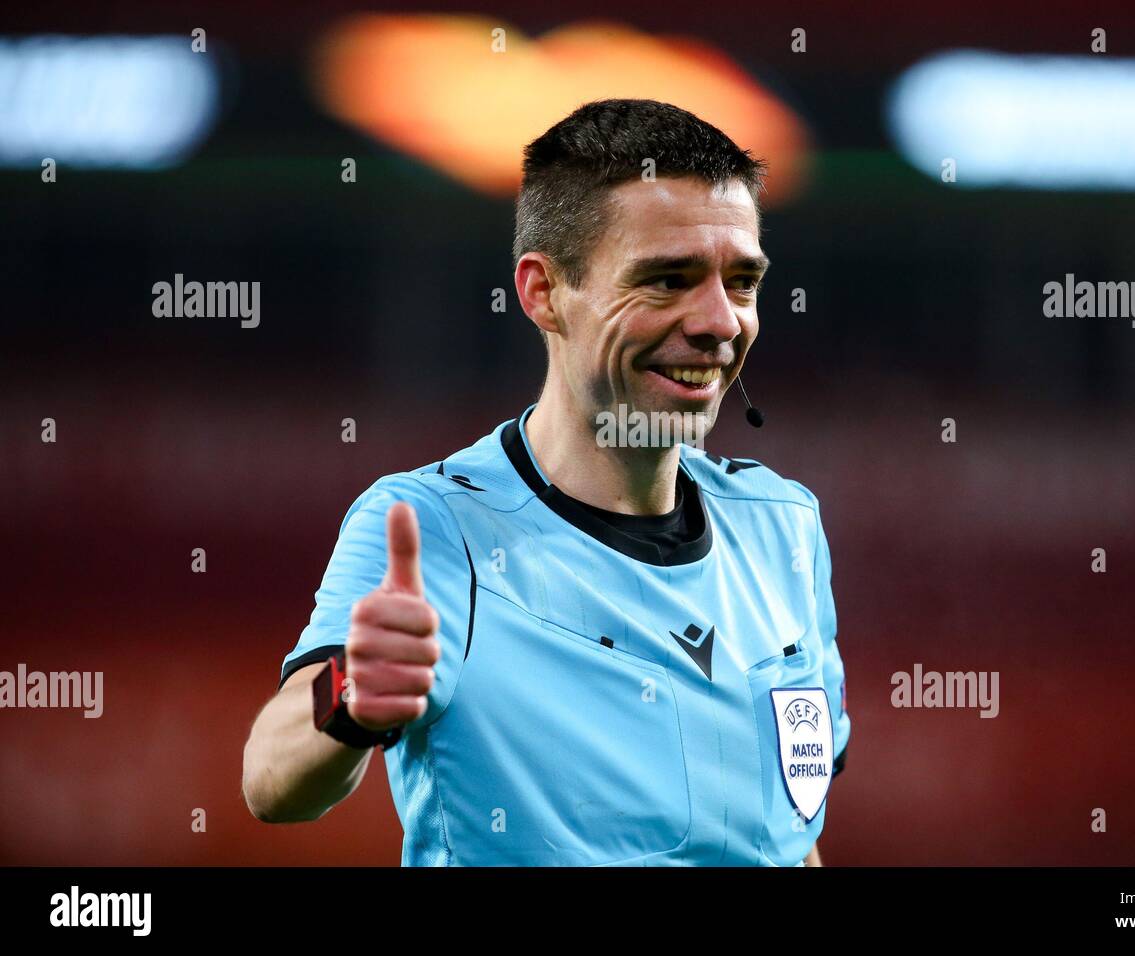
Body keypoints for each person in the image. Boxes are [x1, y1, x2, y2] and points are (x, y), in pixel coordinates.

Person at [242, 98, 850, 865]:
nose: (720, 321)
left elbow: (793, 839)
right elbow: (269, 780)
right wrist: (352, 701)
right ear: (543, 293)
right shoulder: (435, 528)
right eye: (668, 280)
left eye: (742, 281)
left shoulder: (782, 527)